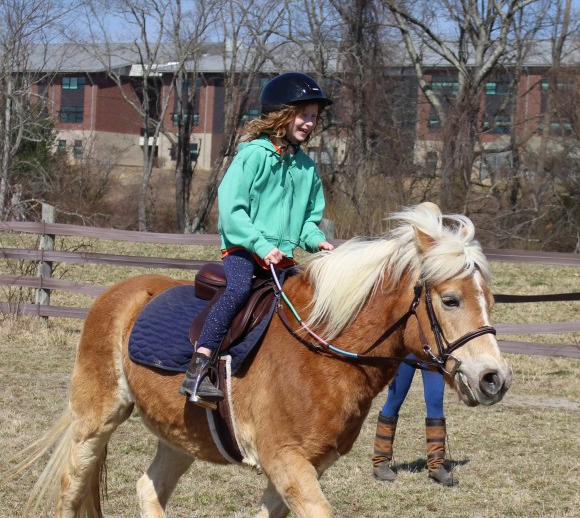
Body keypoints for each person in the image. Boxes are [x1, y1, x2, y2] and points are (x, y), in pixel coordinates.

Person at [180, 71, 334, 404]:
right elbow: (232, 211)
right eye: (303, 114)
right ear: (281, 113)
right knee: (238, 290)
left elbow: (307, 220)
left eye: (314, 117)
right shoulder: (252, 155)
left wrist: (316, 240)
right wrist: (262, 246)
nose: (309, 122)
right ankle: (198, 369)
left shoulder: (307, 168)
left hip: (282, 258)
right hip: (244, 251)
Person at [372, 359, 456, 486]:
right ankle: (380, 462)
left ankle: (436, 465)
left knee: (436, 402)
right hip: (407, 354)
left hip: (432, 355)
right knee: (394, 401)